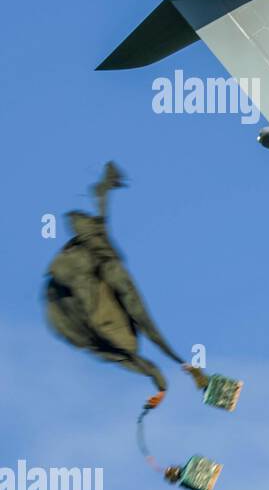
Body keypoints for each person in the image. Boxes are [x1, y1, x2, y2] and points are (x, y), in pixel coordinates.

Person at [44, 162, 185, 409]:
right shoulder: (104, 274)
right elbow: (140, 318)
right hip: (84, 297)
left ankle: (103, 190)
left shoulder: (102, 271)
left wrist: (163, 376)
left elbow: (139, 321)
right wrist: (163, 375)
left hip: (85, 296)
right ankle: (103, 190)